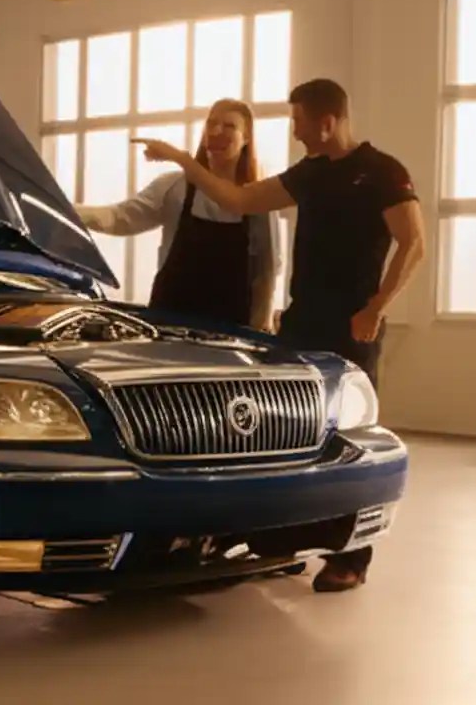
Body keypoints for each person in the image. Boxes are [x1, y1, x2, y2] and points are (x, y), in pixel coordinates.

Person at [137, 78, 427, 593]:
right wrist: (183, 159)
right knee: (291, 433)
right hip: (301, 323)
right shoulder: (309, 173)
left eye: (298, 122)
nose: (294, 133)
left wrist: (376, 308)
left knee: (348, 438)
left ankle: (350, 559)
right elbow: (239, 198)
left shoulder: (383, 172)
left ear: (326, 122)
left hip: (352, 326)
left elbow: (414, 243)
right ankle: (287, 540)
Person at [76, 98, 281, 331]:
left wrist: (261, 324)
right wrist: (67, 211)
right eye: (211, 124)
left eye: (229, 126)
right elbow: (120, 218)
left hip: (231, 332)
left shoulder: (258, 198)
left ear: (246, 139)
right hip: (168, 324)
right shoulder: (175, 187)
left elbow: (267, 269)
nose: (216, 132)